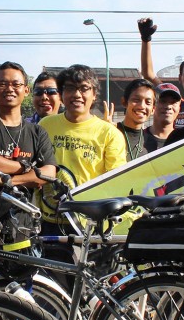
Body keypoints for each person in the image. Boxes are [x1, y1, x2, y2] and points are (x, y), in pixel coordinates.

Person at [0, 62, 57, 273]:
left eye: (16, 84)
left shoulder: (37, 132)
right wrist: (27, 168)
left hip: (22, 228)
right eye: (3, 83)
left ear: (26, 89)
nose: (10, 88)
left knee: (17, 294)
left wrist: (9, 180)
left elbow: (49, 172)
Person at [38, 64, 126, 229]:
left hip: (89, 224)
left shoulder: (110, 134)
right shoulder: (45, 125)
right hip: (48, 220)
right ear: (62, 94)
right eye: (70, 88)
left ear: (94, 95)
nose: (77, 94)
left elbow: (115, 181)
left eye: (84, 88)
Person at [116, 78, 156, 162]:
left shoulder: (151, 142)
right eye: (136, 100)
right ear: (124, 102)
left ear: (153, 109)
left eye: (148, 102)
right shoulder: (111, 132)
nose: (141, 106)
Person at [146, 83, 181, 151]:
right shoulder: (139, 138)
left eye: (173, 102)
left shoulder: (183, 140)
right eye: (163, 101)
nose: (168, 107)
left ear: (179, 108)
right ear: (153, 106)